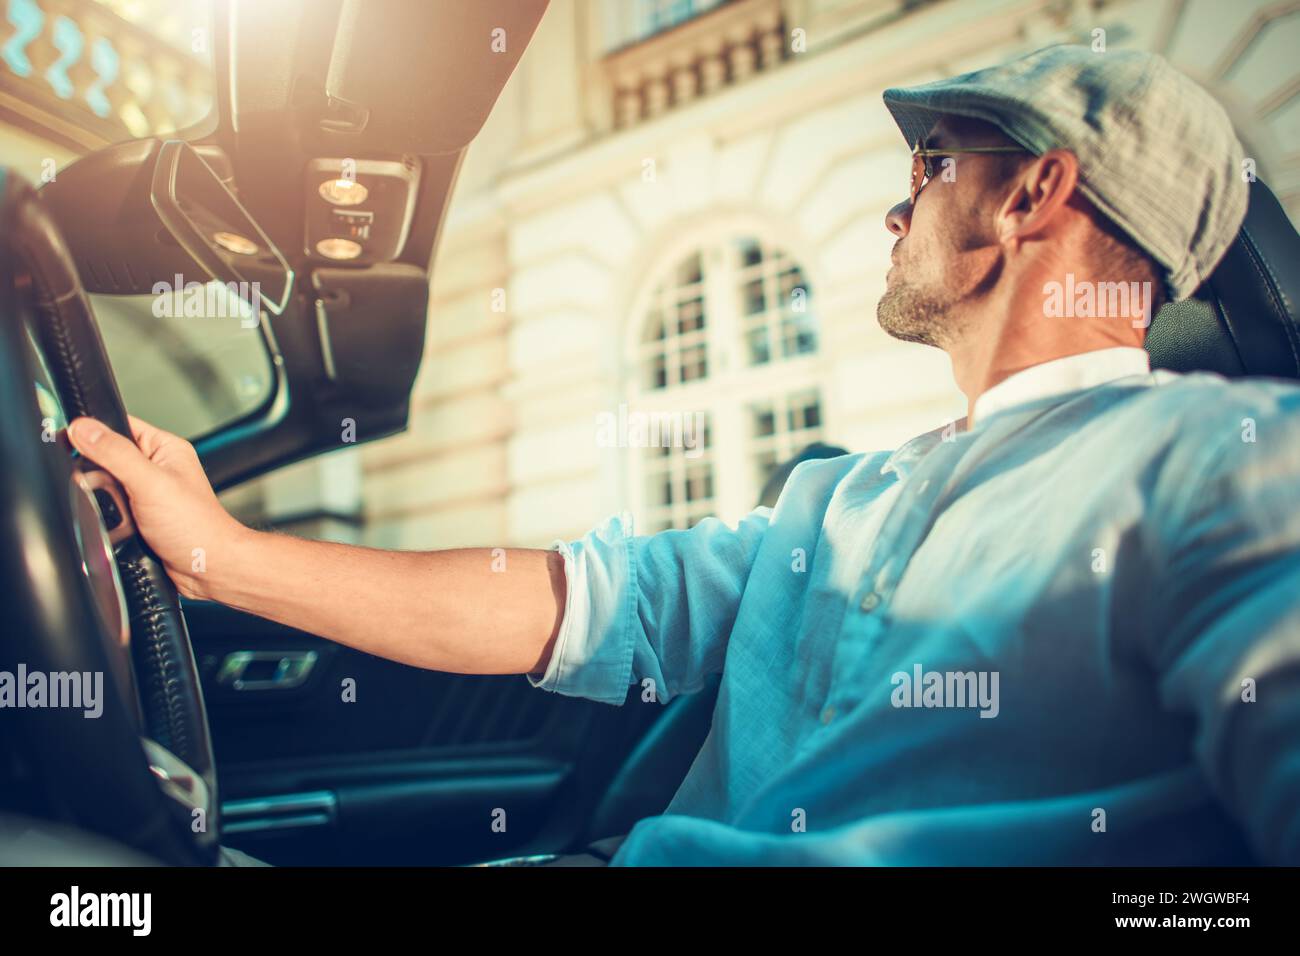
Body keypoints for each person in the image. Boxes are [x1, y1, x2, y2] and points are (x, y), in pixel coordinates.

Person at [68, 44, 1300, 865]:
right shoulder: (840, 496)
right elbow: (575, 601)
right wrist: (221, 557)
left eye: (930, 168)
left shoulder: (1220, 469)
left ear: (1032, 195)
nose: (895, 205)